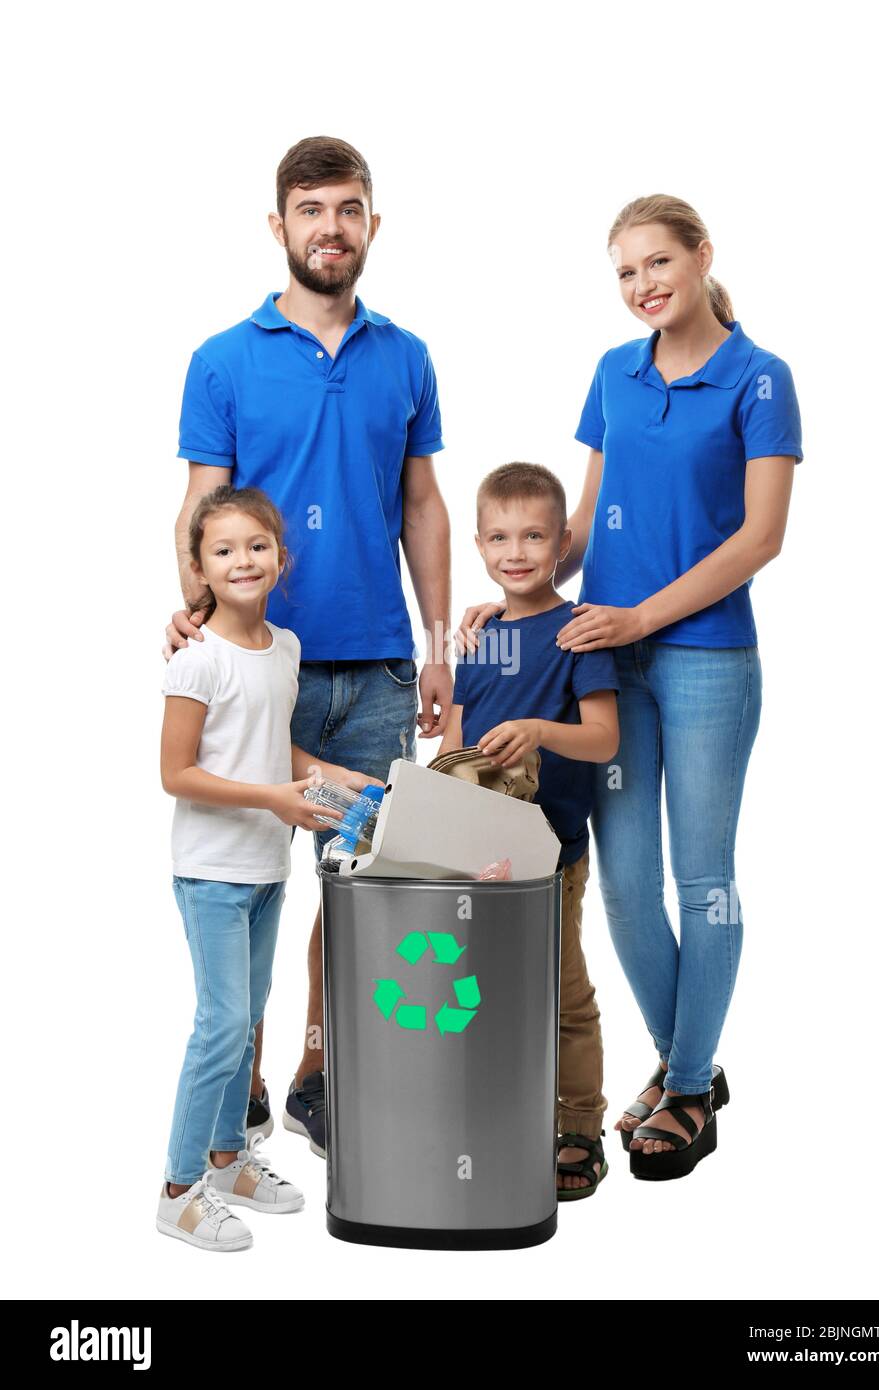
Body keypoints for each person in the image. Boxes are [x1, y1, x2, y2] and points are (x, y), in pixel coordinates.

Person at [460, 195, 802, 1181]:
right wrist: (509, 597)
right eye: (623, 272)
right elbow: (582, 525)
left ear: (701, 256)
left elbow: (759, 538)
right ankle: (688, 1063)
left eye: (657, 263)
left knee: (702, 880)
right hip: (600, 659)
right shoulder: (612, 372)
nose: (642, 285)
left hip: (701, 661)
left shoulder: (758, 379)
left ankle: (686, 1087)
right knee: (617, 886)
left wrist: (641, 617)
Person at [163, 137, 451, 1157]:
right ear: (277, 224)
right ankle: (233, 1067)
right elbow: (204, 501)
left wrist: (436, 649)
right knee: (245, 870)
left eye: (349, 208)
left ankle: (318, 1071)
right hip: (260, 665)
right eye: (312, 208)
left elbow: (421, 502)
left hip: (374, 663)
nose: (331, 227)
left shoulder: (404, 354)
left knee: (354, 878)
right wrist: (194, 605)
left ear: (371, 224)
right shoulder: (224, 358)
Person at [158, 484, 367, 1250]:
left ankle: (226, 1159)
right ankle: (179, 1188)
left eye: (256, 547)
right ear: (199, 569)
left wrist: (338, 777)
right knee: (219, 1026)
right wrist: (276, 801)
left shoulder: (284, 649)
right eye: (223, 550)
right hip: (211, 869)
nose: (242, 560)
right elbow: (176, 774)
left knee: (245, 1019)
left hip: (265, 868)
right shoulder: (197, 659)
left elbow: (277, 753)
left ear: (282, 557)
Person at [438, 463, 619, 1199]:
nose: (516, 551)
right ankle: (494, 1116)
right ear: (479, 545)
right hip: (472, 859)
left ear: (561, 542)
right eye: (501, 537)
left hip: (550, 856)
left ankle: (579, 1126)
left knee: (561, 993)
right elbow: (449, 742)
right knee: (480, 992)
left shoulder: (579, 632)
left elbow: (604, 740)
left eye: (535, 535)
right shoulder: (477, 638)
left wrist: (543, 731)